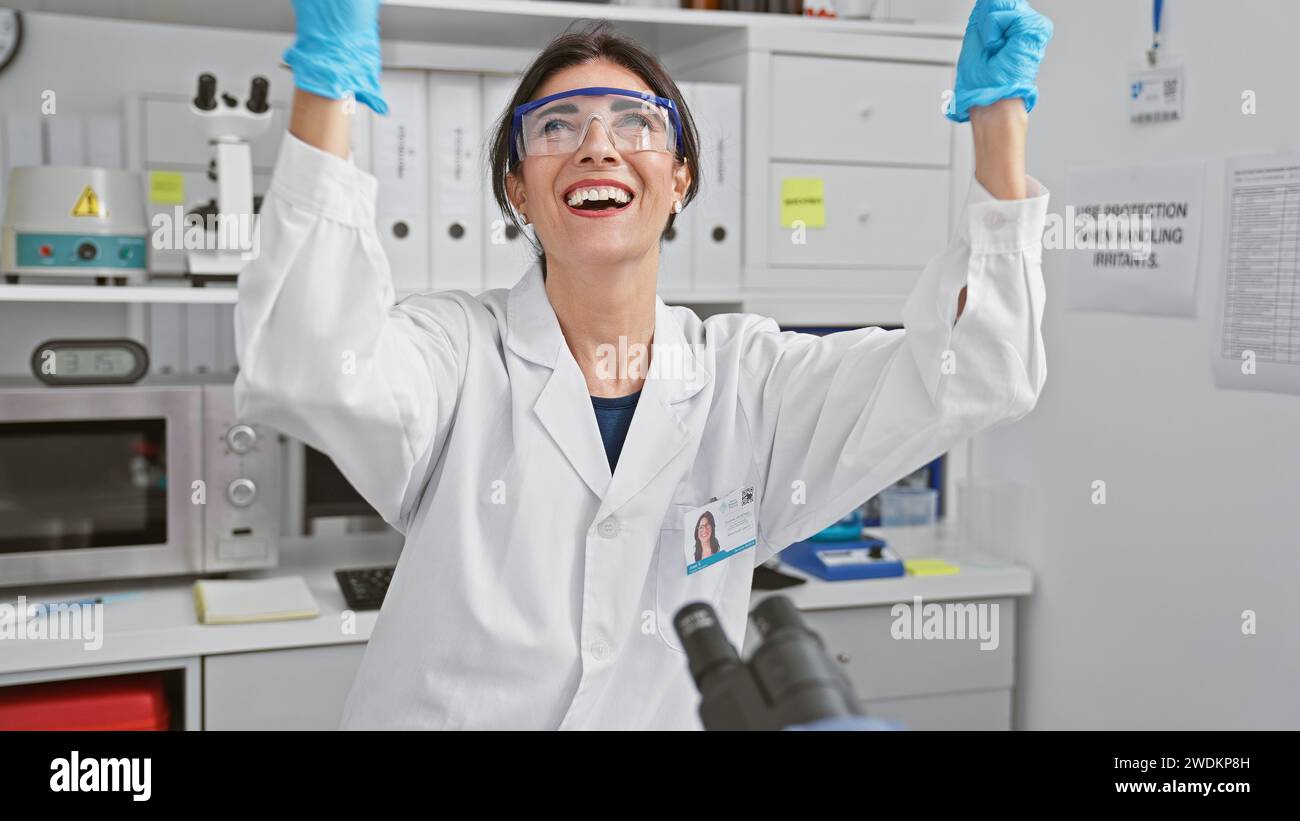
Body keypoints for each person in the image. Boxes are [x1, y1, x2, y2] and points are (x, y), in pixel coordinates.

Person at [234, 0, 1053, 729]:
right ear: (518, 189)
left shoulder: (749, 380)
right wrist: (327, 87)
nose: (598, 145)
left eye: (636, 122)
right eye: (556, 126)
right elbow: (310, 366)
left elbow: (974, 373)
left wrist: (998, 125)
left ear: (681, 178)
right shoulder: (455, 352)